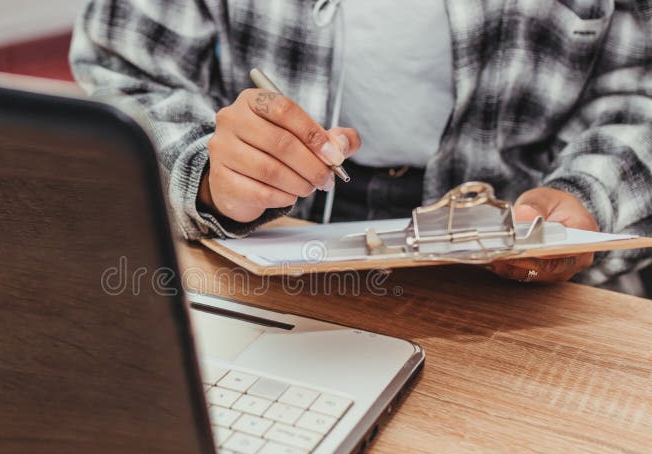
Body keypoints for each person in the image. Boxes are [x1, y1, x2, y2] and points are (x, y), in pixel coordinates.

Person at [70, 0, 652, 293]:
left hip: (519, 243)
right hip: (265, 240)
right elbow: (125, 73)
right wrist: (208, 176)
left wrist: (590, 196)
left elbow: (638, 87)